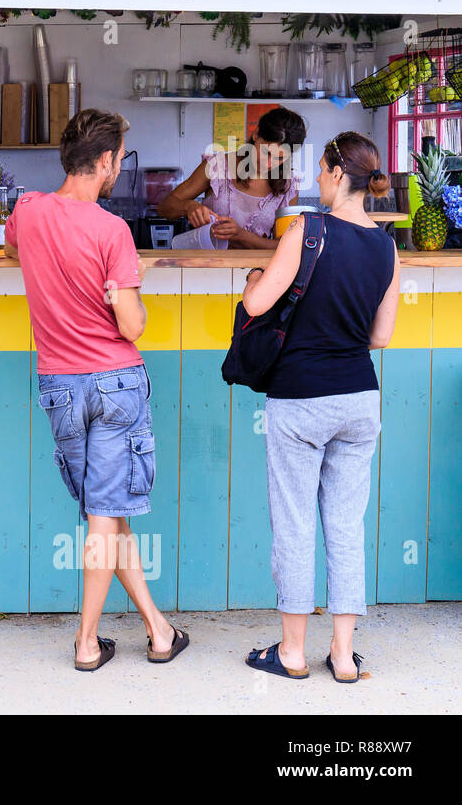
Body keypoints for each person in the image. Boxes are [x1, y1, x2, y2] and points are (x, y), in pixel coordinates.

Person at [5, 108, 188, 671]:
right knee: (107, 515)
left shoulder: (27, 211)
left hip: (59, 386)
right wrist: (127, 287)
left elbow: (15, 252)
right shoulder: (111, 230)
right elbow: (131, 325)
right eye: (118, 161)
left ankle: (159, 631)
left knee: (109, 514)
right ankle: (87, 642)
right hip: (114, 386)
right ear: (106, 161)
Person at [242, 131, 399, 684]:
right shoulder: (386, 244)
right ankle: (341, 654)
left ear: (335, 173)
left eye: (321, 168)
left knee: (294, 523)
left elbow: (259, 303)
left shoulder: (307, 229)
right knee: (345, 525)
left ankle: (290, 652)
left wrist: (254, 279)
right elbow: (381, 336)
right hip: (359, 398)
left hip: (302, 399)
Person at [156, 106, 307, 249]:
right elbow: (164, 208)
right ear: (256, 134)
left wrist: (242, 235)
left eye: (279, 159)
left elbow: (285, 246)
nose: (269, 164)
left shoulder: (288, 186)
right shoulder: (218, 166)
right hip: (206, 270)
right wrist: (188, 206)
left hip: (257, 274)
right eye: (266, 152)